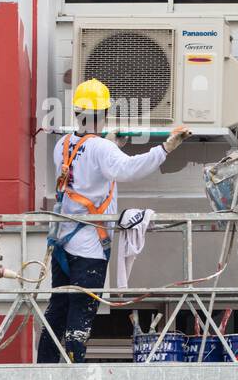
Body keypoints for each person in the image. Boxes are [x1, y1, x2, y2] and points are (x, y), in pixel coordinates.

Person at [39, 79, 189, 363]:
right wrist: (166, 148)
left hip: (63, 243)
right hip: (89, 249)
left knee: (56, 310)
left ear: (76, 113)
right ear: (104, 114)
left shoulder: (63, 144)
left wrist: (109, 145)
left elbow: (88, 162)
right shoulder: (102, 150)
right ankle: (73, 374)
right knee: (80, 318)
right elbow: (127, 169)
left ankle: (43, 367)